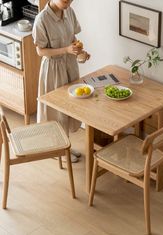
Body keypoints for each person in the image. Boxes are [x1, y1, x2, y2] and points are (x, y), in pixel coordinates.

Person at [32, 0, 90, 162]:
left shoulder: (69, 12)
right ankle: (59, 151)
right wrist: (66, 50)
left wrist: (80, 53)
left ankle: (65, 147)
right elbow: (40, 51)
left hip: (69, 65)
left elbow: (72, 39)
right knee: (57, 111)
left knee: (69, 107)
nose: (68, 0)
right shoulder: (42, 20)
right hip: (53, 69)